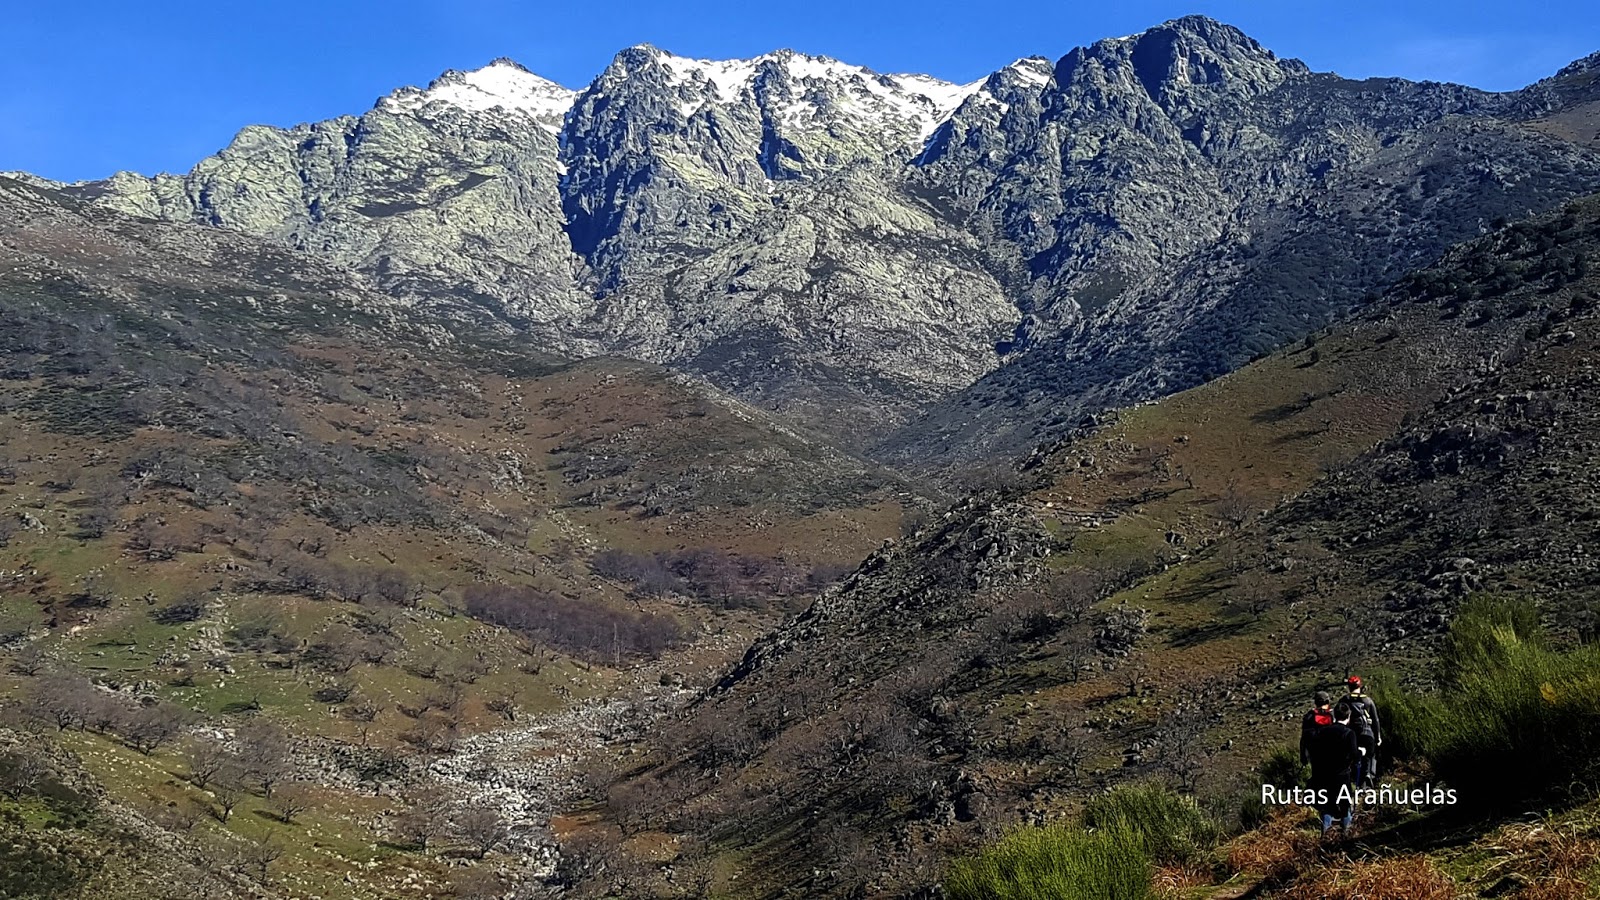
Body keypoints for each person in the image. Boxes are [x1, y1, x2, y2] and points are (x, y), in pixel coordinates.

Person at [1306, 701, 1362, 838]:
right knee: (1345, 807)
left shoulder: (1322, 732)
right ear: (1348, 717)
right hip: (1342, 775)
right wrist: (1362, 752)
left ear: (1335, 716)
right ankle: (1347, 835)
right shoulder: (1349, 733)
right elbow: (1355, 755)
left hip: (1324, 775)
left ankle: (1325, 834)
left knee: (1327, 807)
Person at [1343, 676, 1382, 787]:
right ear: (1360, 686)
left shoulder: (1345, 700)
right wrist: (1378, 736)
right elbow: (1375, 720)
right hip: (1368, 733)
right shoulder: (1368, 701)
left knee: (1355, 758)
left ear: (1349, 687)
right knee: (1370, 756)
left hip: (1352, 735)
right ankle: (1369, 775)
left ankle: (1357, 783)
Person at [1299, 691, 1333, 766]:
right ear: (1328, 701)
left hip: (1315, 753)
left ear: (1315, 702)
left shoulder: (1309, 716)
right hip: (1332, 751)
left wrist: (1303, 756)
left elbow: (1304, 738)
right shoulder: (1333, 715)